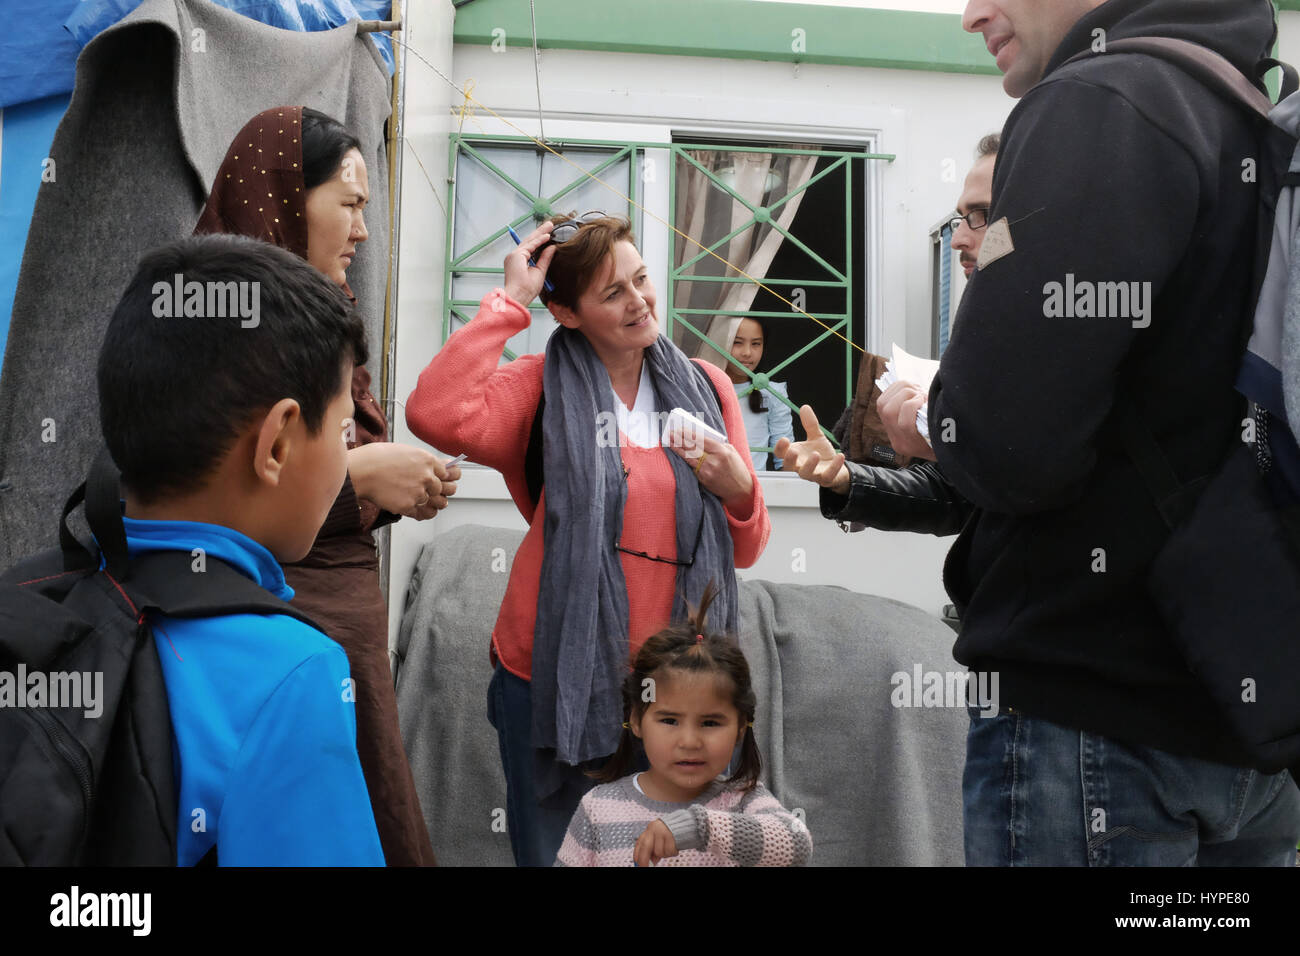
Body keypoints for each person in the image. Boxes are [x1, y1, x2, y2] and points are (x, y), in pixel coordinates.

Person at [881, 0, 1300, 865]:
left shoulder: (1099, 101)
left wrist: (930, 416)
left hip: (1093, 719)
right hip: (1249, 709)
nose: (971, 16)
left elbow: (1008, 445)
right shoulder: (1258, 107)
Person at [405, 212, 771, 866]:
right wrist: (511, 301)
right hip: (550, 673)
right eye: (613, 293)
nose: (640, 302)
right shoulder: (537, 387)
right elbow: (435, 412)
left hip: (679, 688)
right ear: (569, 314)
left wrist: (739, 486)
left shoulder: (708, 387)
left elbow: (745, 548)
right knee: (557, 854)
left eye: (641, 279)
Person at [194, 105, 447, 866]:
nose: (362, 231)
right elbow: (219, 496)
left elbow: (322, 471)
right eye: (351, 204)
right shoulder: (216, 320)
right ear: (280, 197)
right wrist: (364, 473)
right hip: (278, 633)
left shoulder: (317, 317)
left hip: (340, 636)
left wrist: (390, 487)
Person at [97, 234, 385, 865]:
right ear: (277, 444)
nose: (348, 454)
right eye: (343, 430)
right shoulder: (293, 672)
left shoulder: (40, 600)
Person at [782, 135, 1000, 538]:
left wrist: (949, 448)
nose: (957, 240)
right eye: (960, 218)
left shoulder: (1092, 337)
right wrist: (846, 478)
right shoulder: (989, 342)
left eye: (982, 214)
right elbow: (956, 498)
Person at [555, 583, 811, 866]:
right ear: (637, 721)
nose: (689, 741)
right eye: (669, 720)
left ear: (740, 728)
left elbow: (797, 842)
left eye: (710, 723)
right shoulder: (599, 808)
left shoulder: (742, 802)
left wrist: (699, 827)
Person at [725, 317, 794, 471]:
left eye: (756, 343)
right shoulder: (703, 387)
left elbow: (784, 461)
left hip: (757, 488)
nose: (747, 352)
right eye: (737, 342)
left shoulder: (773, 393)